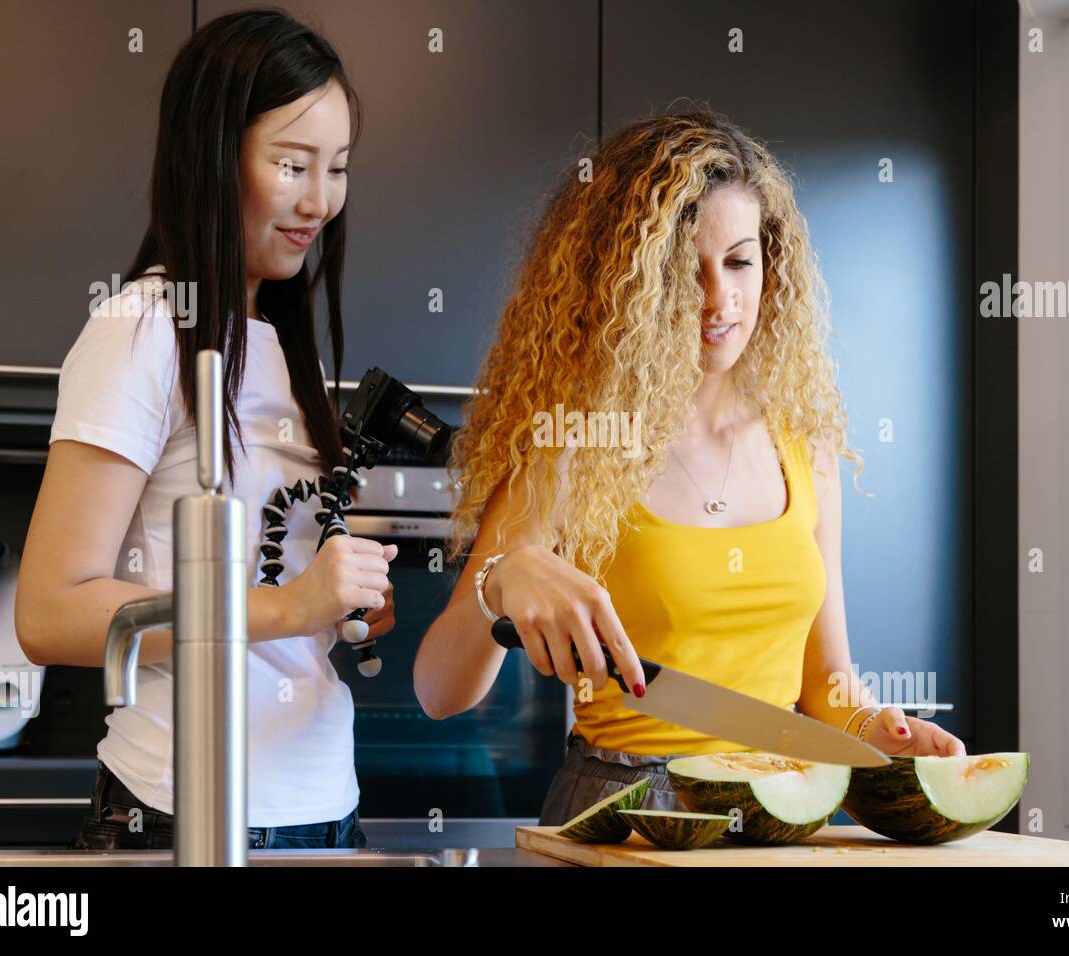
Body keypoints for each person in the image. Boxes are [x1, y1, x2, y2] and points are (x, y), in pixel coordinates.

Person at [414, 107, 966, 824]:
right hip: (625, 815)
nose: (718, 299)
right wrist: (497, 587)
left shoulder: (805, 445)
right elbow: (436, 691)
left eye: (739, 261)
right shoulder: (575, 446)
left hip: (779, 813)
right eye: (683, 270)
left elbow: (827, 683)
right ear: (629, 282)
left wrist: (881, 738)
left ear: (773, 261)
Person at [16, 8, 396, 850]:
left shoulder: (281, 346)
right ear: (212, 158)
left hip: (324, 805)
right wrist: (290, 604)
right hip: (184, 810)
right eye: (292, 164)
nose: (319, 200)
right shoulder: (144, 328)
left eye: (336, 169)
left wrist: (335, 607)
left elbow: (283, 600)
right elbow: (50, 612)